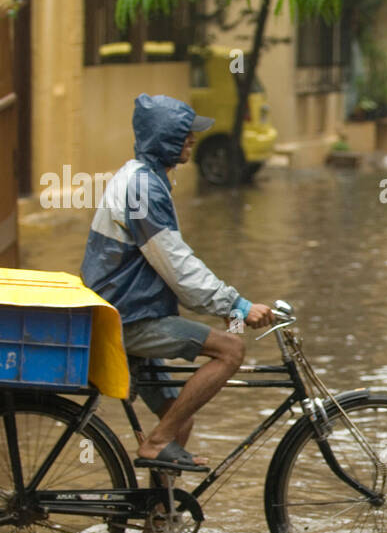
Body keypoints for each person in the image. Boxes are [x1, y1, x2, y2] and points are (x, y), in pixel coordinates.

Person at [82, 93, 273, 472]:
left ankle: (158, 518)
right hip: (126, 318)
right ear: (164, 139)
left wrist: (223, 306)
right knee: (231, 351)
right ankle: (154, 443)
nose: (193, 141)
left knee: (179, 419)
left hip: (132, 311)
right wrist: (236, 306)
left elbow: (168, 269)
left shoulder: (145, 179)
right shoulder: (142, 191)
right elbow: (178, 268)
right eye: (185, 135)